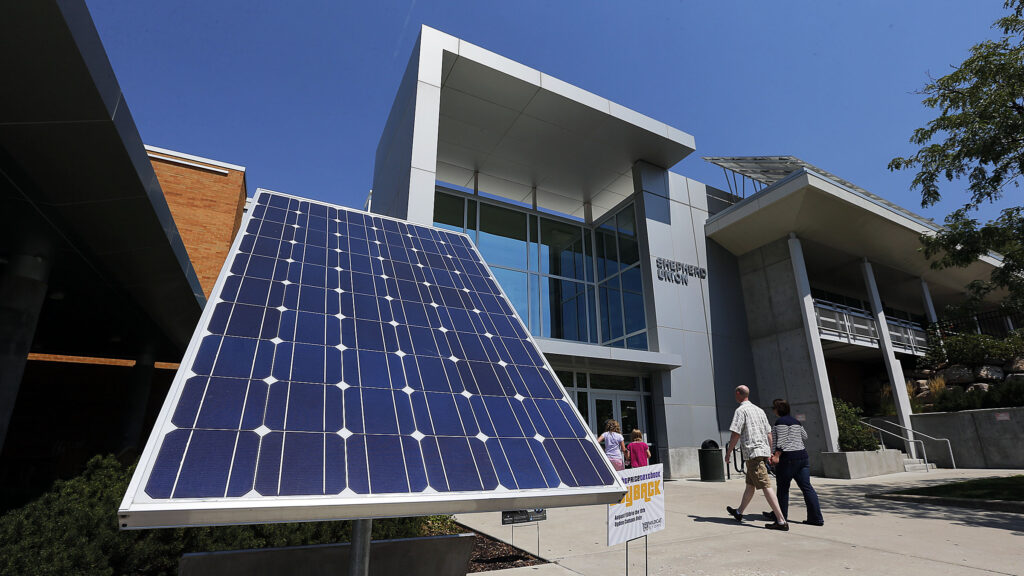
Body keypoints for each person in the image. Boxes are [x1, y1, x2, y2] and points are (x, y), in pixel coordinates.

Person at [724, 385, 788, 531]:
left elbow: (736, 434)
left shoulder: (741, 410)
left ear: (739, 394)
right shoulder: (760, 411)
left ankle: (781, 520)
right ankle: (739, 512)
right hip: (762, 452)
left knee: (765, 485)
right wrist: (771, 452)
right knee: (750, 485)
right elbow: (769, 433)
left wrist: (728, 453)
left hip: (753, 453)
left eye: (735, 393)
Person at [762, 399, 824, 526]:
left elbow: (782, 440)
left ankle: (781, 518)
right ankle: (816, 518)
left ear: (778, 409)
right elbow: (805, 436)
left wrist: (776, 455)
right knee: (807, 488)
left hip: (788, 459)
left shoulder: (780, 422)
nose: (773, 410)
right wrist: (794, 437)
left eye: (773, 407)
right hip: (802, 457)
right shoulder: (796, 421)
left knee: (783, 489)